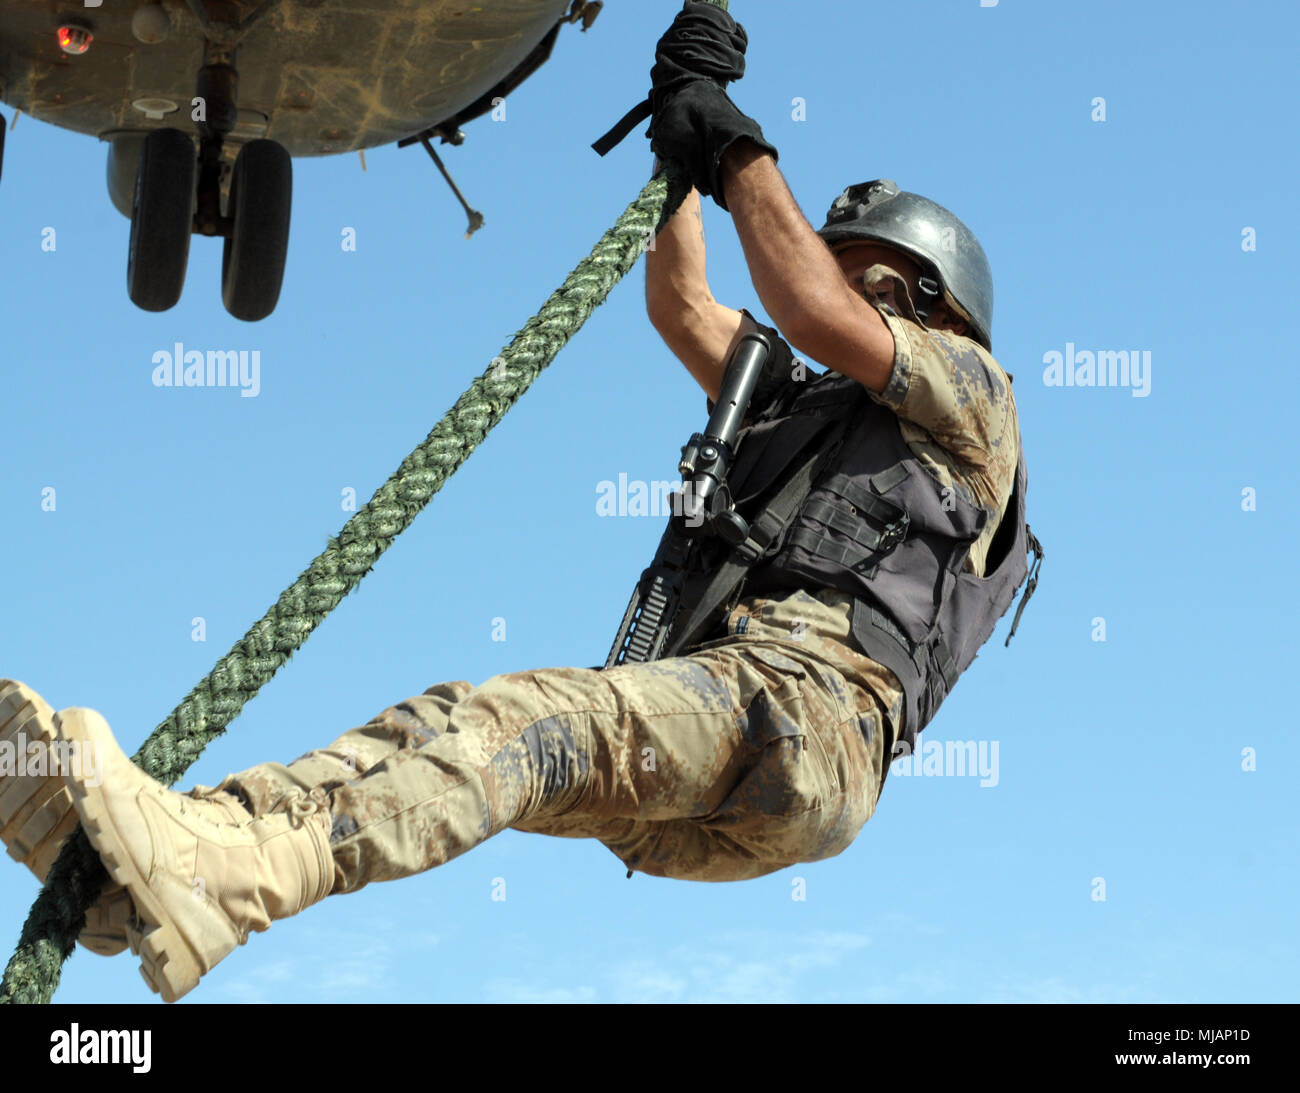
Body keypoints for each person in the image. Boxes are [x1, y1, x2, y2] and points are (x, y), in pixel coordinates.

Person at [0, 1, 1037, 1003]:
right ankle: (145, 869)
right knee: (441, 727)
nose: (842, 289)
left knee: (519, 719)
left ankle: (236, 877)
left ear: (930, 304)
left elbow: (804, 302)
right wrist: (679, 152)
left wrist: (732, 139)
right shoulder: (798, 410)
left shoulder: (974, 400)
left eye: (870, 281)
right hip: (721, 741)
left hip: (803, 721)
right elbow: (684, 307)